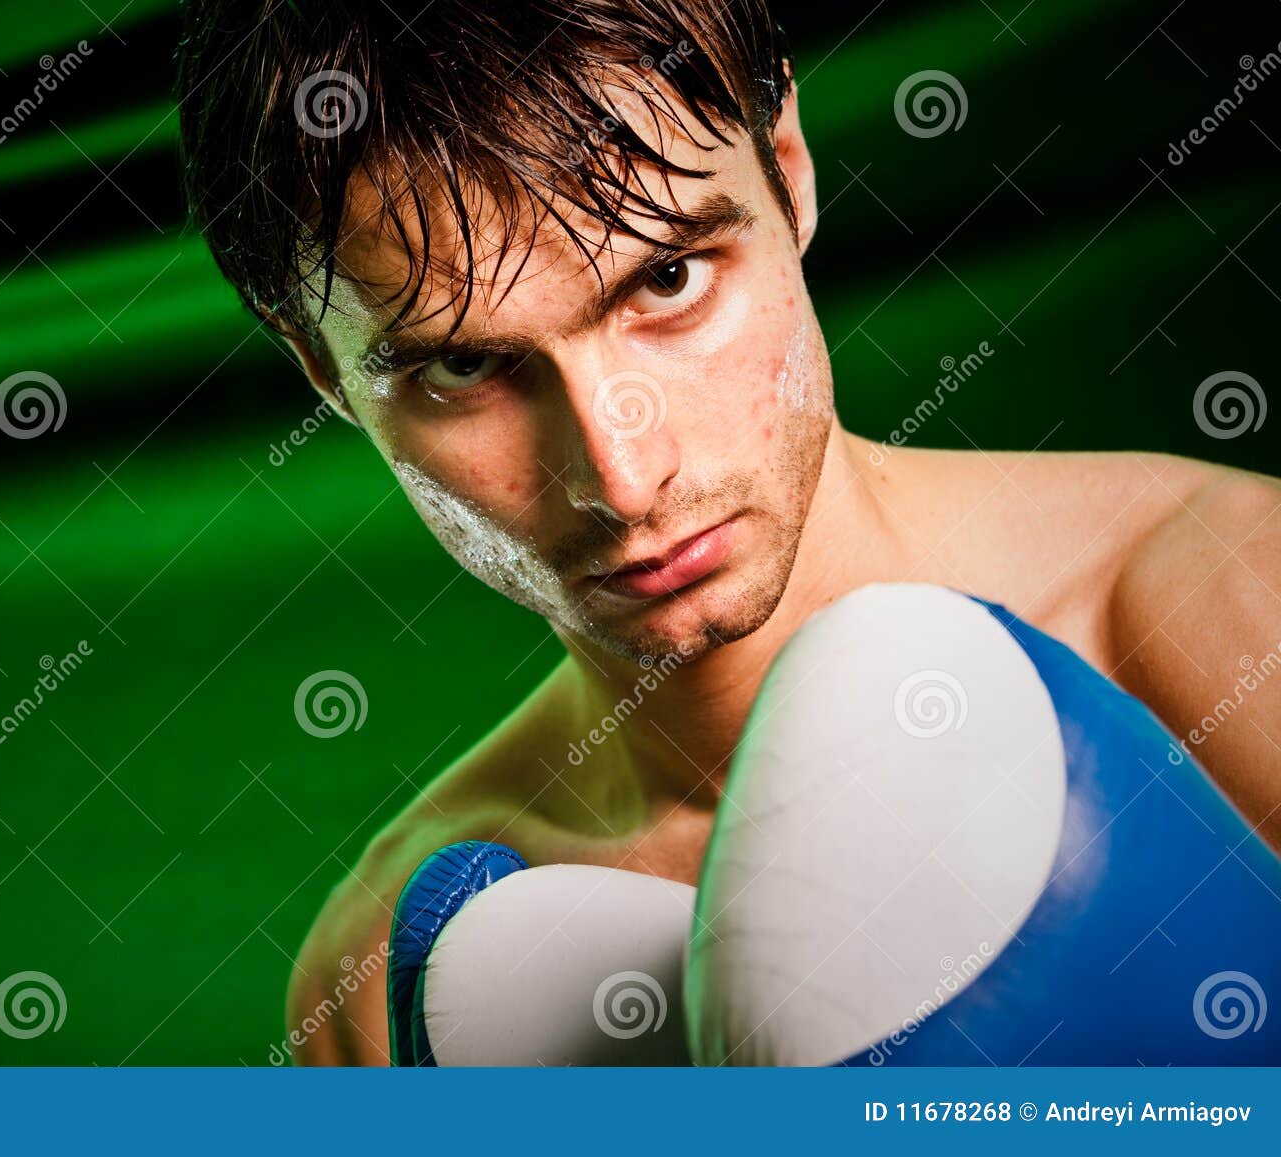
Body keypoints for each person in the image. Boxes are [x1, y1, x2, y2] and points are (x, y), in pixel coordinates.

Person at [175, 0, 1281, 1064]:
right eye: (466, 365)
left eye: (667, 279)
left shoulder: (1230, 612)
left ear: (786, 168)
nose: (623, 473)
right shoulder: (386, 988)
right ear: (321, 368)